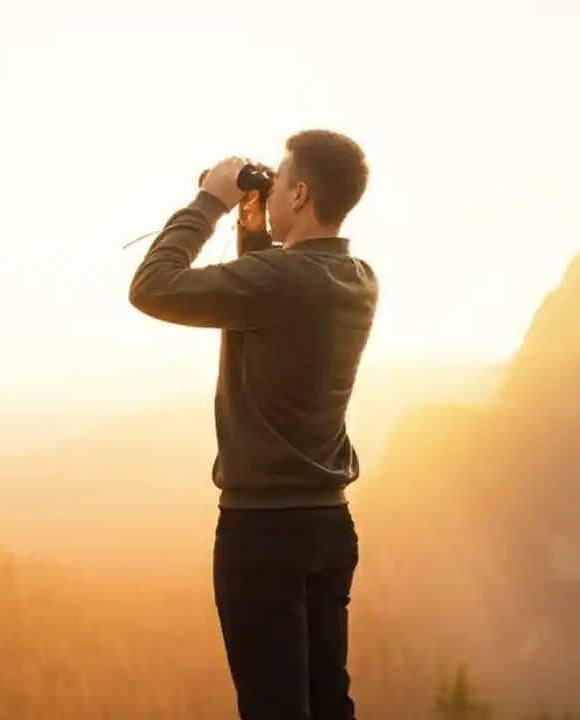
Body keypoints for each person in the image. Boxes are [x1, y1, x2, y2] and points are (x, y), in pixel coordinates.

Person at [127, 129, 378, 719]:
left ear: (300, 195)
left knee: (273, 708)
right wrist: (253, 213)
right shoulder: (358, 278)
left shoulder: (279, 281)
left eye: (284, 178)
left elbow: (151, 287)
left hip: (262, 533)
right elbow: (266, 286)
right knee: (326, 701)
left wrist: (209, 202)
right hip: (328, 526)